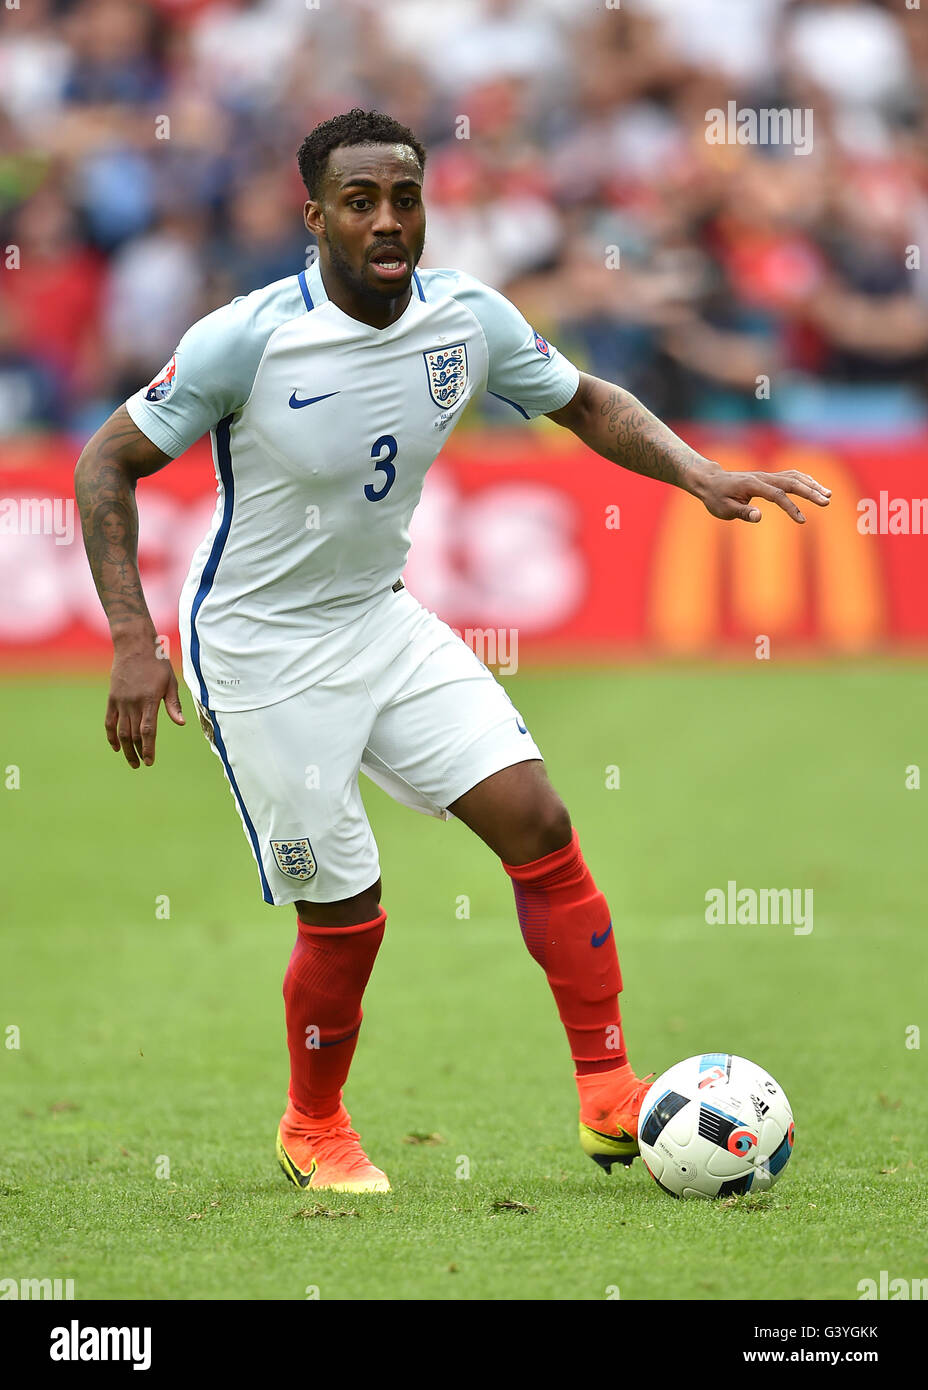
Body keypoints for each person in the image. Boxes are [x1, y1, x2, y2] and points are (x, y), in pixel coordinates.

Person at [74, 108, 830, 1194]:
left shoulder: (465, 316)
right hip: (259, 649)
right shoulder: (245, 337)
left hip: (380, 617)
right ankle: (313, 1123)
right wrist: (134, 638)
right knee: (347, 914)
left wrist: (697, 472)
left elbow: (585, 401)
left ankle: (610, 1092)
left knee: (541, 822)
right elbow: (104, 464)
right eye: (361, 201)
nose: (388, 220)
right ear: (316, 216)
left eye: (406, 197)